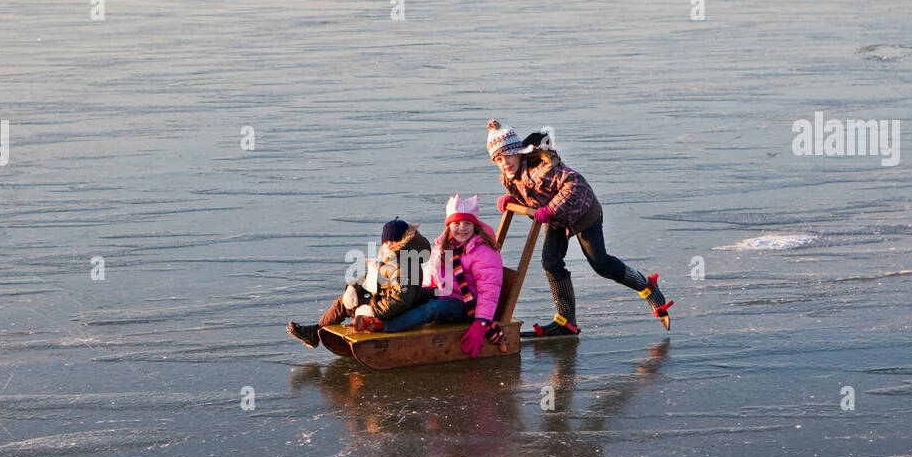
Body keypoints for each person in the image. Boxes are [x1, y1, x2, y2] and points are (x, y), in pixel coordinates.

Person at [486, 119, 673, 335]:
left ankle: (647, 286)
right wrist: (512, 199)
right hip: (558, 219)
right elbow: (529, 194)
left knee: (601, 264)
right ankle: (566, 320)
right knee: (551, 262)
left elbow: (575, 184)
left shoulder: (542, 169)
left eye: (508, 156)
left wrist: (550, 209)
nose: (505, 163)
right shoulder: (508, 178)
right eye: (498, 159)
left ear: (518, 152)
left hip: (584, 212)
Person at [354, 195, 506, 357]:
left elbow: (489, 293)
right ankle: (381, 314)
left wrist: (480, 323)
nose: (462, 228)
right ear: (449, 225)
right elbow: (432, 278)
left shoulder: (484, 253)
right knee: (416, 294)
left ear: (475, 227)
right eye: (456, 223)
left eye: (467, 223)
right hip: (444, 294)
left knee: (435, 308)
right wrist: (419, 295)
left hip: (468, 307)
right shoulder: (443, 247)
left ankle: (383, 325)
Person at [287, 218, 430, 348]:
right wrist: (352, 288)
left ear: (403, 240)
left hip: (399, 312)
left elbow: (401, 299)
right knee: (342, 304)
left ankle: (371, 340)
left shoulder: (407, 264)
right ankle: (315, 331)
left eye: (393, 241)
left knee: (361, 316)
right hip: (382, 304)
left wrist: (373, 311)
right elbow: (369, 277)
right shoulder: (388, 259)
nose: (388, 245)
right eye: (385, 242)